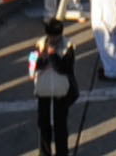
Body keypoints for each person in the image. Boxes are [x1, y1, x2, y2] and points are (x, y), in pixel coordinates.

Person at [30, 23, 80, 156]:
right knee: (43, 125)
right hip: (44, 92)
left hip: (61, 93)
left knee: (61, 127)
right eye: (51, 36)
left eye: (55, 36)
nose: (53, 40)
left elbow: (67, 68)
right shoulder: (39, 45)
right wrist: (40, 60)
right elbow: (31, 67)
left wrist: (52, 56)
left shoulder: (68, 46)